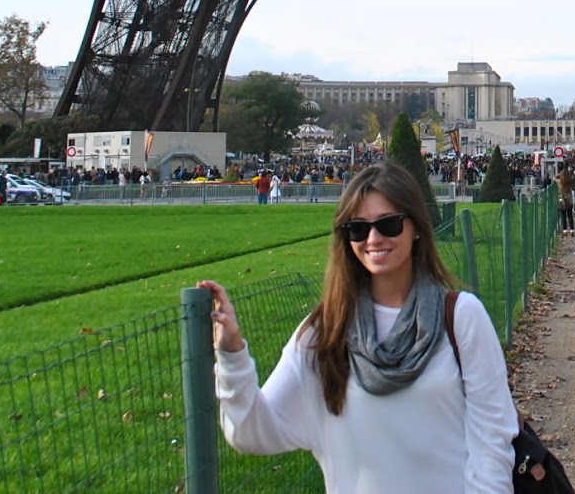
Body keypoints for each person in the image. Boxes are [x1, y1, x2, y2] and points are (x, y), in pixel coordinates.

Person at [201, 163, 516, 493]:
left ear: (417, 227)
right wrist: (232, 355)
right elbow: (251, 433)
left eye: (389, 224)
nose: (373, 239)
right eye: (358, 229)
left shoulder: (462, 317)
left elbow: (492, 444)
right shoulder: (324, 332)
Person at [556, 166, 575, 236]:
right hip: (569, 199)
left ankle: (564, 231)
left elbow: (554, 178)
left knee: (563, 216)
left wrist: (558, 175)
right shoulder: (570, 181)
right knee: (570, 215)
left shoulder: (560, 182)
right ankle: (572, 230)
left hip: (562, 199)